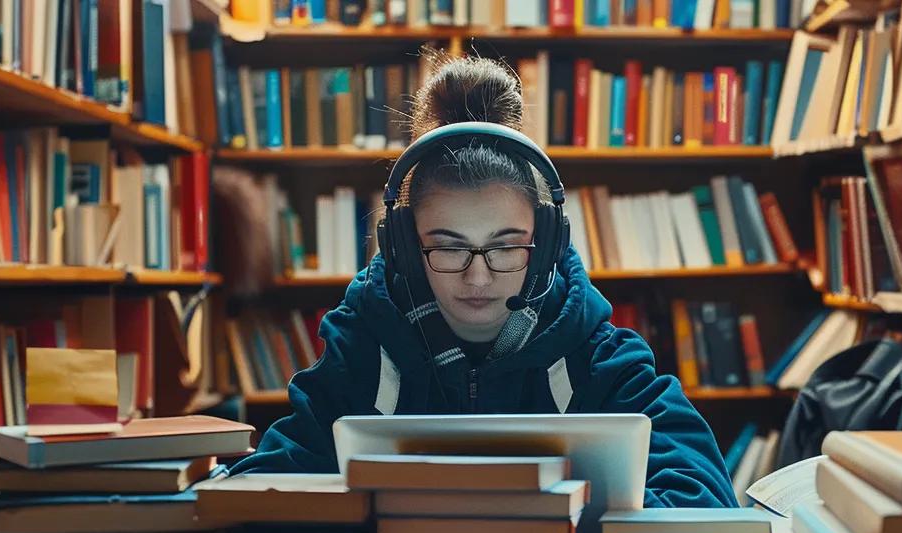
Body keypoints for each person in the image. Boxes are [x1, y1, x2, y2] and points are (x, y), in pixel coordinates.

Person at [230, 56, 736, 508]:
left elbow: (705, 499)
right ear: (405, 250)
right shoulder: (359, 350)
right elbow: (259, 493)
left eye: (506, 246)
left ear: (546, 245)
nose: (478, 276)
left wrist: (552, 520)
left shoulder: (600, 356)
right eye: (448, 247)